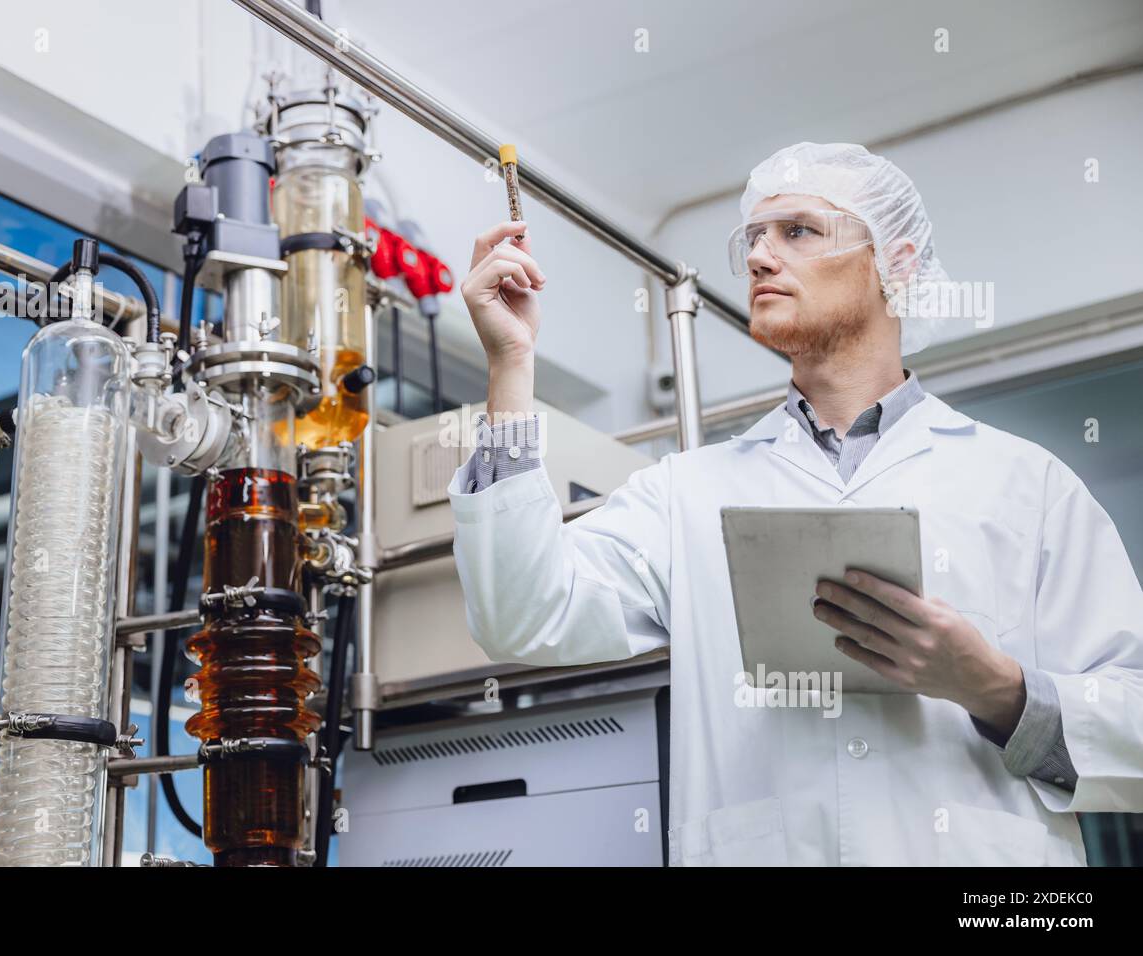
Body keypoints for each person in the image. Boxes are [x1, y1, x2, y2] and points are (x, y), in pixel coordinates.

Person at [446, 142, 1143, 866]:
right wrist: (511, 368)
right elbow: (519, 616)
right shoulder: (688, 490)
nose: (758, 256)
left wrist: (993, 687)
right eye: (752, 237)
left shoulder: (1024, 485)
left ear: (897, 264)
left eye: (798, 231)